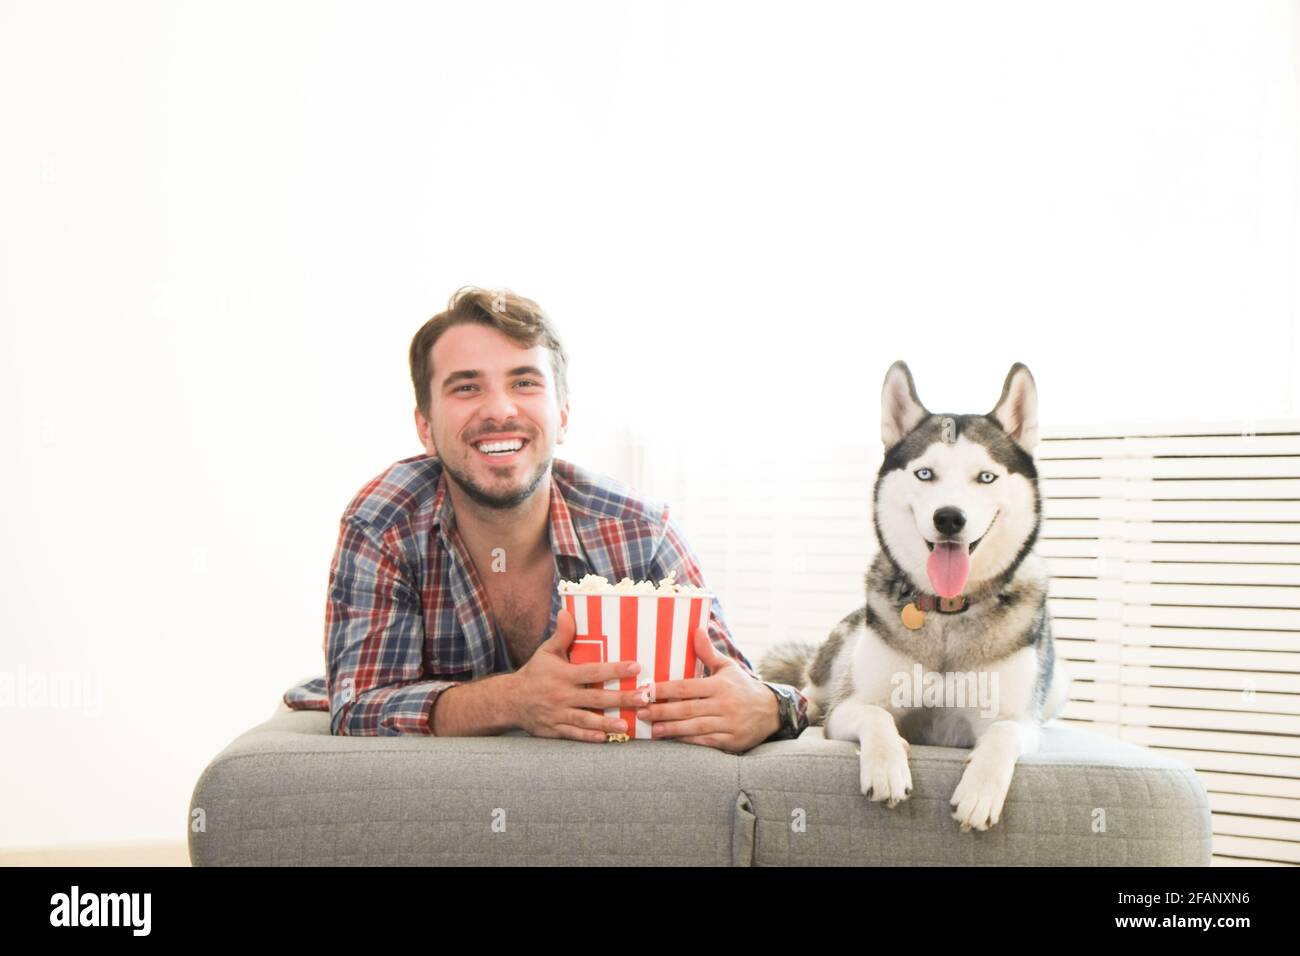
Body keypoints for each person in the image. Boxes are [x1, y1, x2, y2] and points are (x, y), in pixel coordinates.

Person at [283, 287, 807, 751]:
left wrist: (772, 709)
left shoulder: (640, 531)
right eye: (466, 387)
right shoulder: (384, 523)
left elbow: (746, 686)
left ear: (562, 416)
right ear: (425, 427)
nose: (501, 410)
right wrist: (514, 699)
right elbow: (356, 706)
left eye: (525, 383)